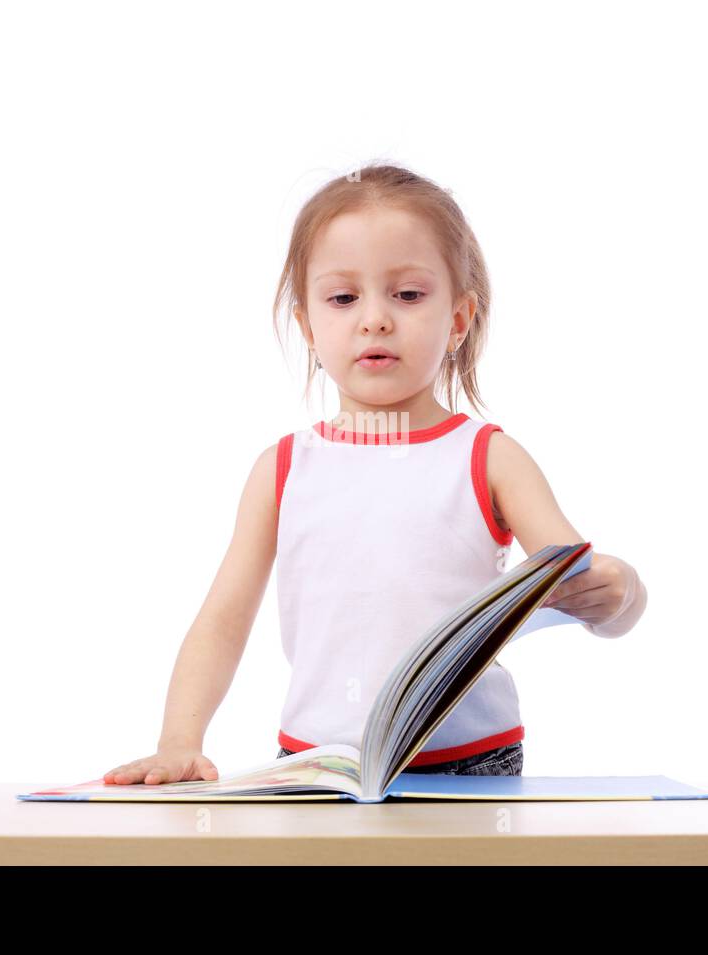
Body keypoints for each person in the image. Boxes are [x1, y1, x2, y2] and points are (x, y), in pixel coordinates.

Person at [104, 163, 647, 787]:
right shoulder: (283, 468)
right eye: (343, 298)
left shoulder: (490, 457)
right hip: (317, 763)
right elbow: (222, 620)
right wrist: (179, 741)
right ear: (309, 327)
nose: (375, 319)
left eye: (408, 295)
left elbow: (578, 587)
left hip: (474, 763)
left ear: (459, 320)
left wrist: (622, 594)